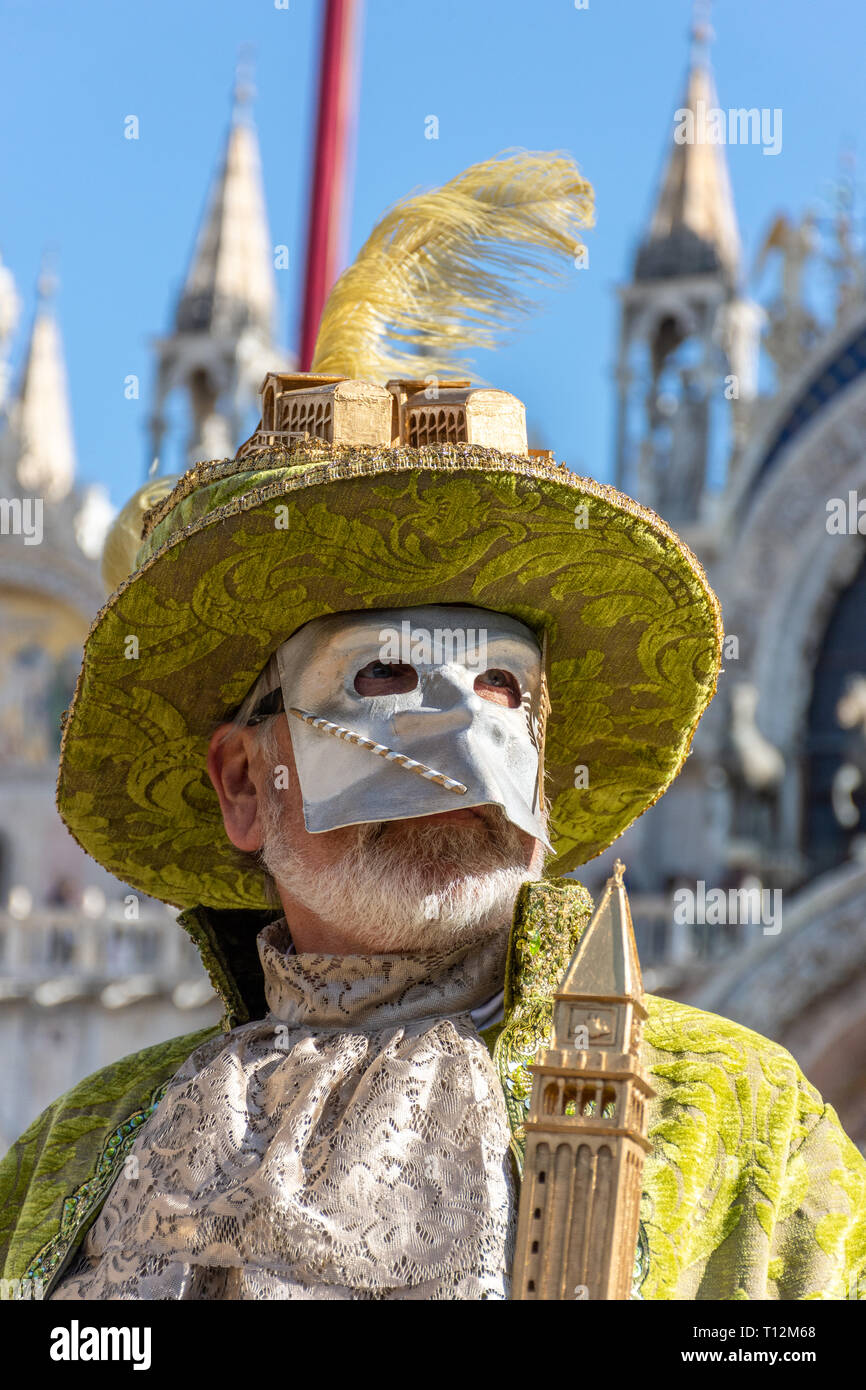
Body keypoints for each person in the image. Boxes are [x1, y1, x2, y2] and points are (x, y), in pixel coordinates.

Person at [1, 153, 864, 1301]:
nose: (456, 742)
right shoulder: (78, 1149)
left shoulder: (732, 1124)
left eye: (506, 692)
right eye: (387, 679)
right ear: (245, 784)